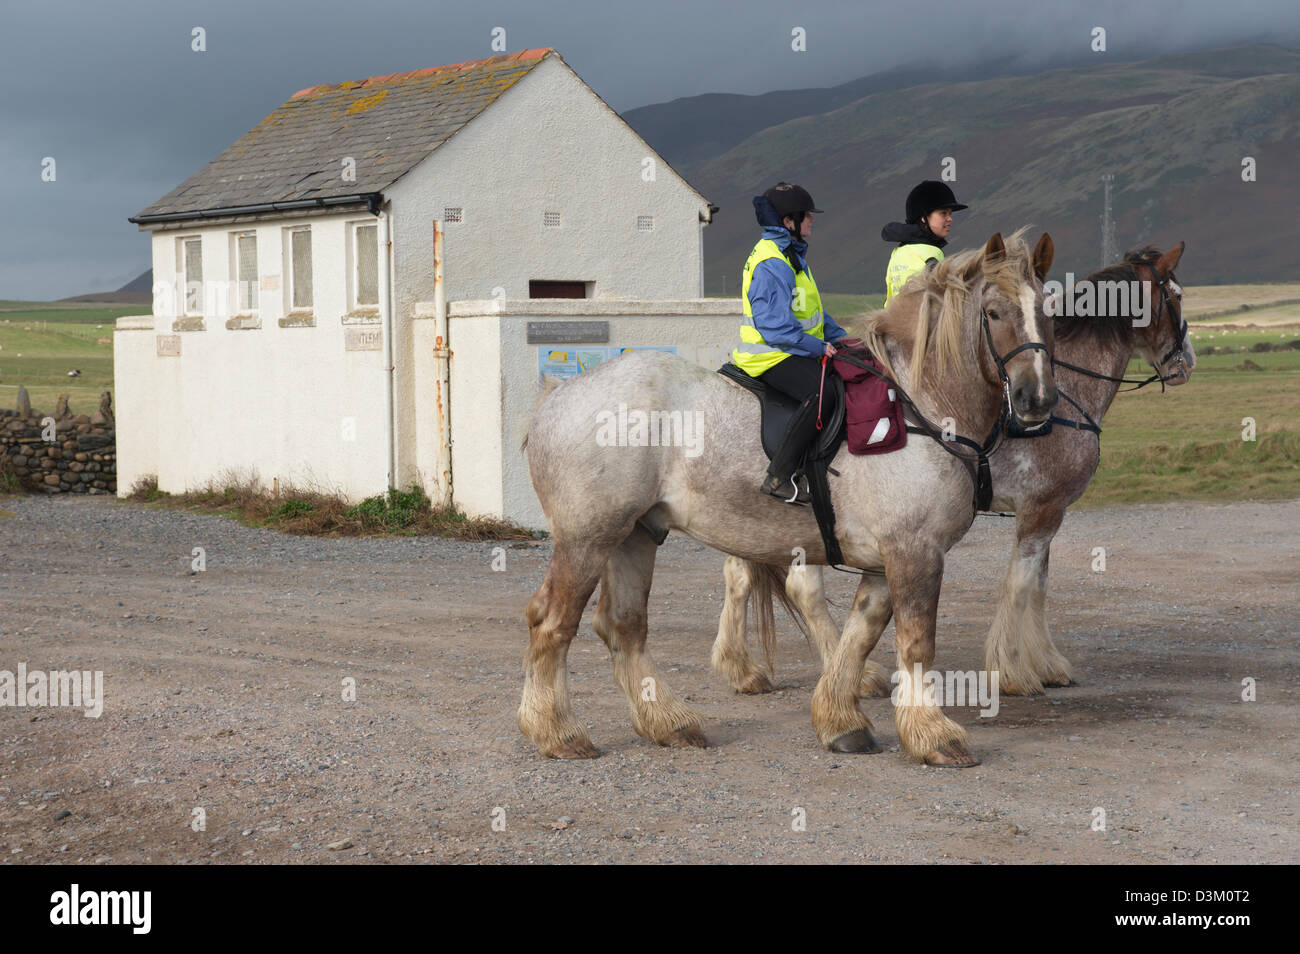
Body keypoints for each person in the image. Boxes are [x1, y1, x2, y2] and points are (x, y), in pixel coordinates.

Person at [733, 182, 848, 504]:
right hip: (770, 355)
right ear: (788, 222)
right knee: (821, 392)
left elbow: (812, 312)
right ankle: (779, 475)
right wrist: (817, 348)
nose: (812, 220)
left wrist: (844, 339)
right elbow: (774, 328)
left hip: (790, 349)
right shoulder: (772, 262)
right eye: (806, 215)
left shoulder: (791, 255)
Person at [881, 180, 969, 304]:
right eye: (943, 213)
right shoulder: (930, 254)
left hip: (894, 320)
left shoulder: (898, 252)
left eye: (950, 213)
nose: (950, 219)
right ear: (923, 218)